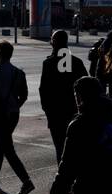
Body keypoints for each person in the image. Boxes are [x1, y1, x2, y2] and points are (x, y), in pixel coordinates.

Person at [0, 40, 33, 194]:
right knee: (1, 145)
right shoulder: (19, 73)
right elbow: (24, 95)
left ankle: (27, 182)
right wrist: (14, 105)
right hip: (13, 115)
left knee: (7, 148)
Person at [39, 29, 87, 162]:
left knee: (60, 148)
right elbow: (87, 86)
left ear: (54, 43)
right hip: (74, 112)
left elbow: (44, 90)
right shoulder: (76, 62)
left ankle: (63, 177)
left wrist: (47, 110)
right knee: (76, 148)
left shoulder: (48, 64)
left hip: (56, 114)